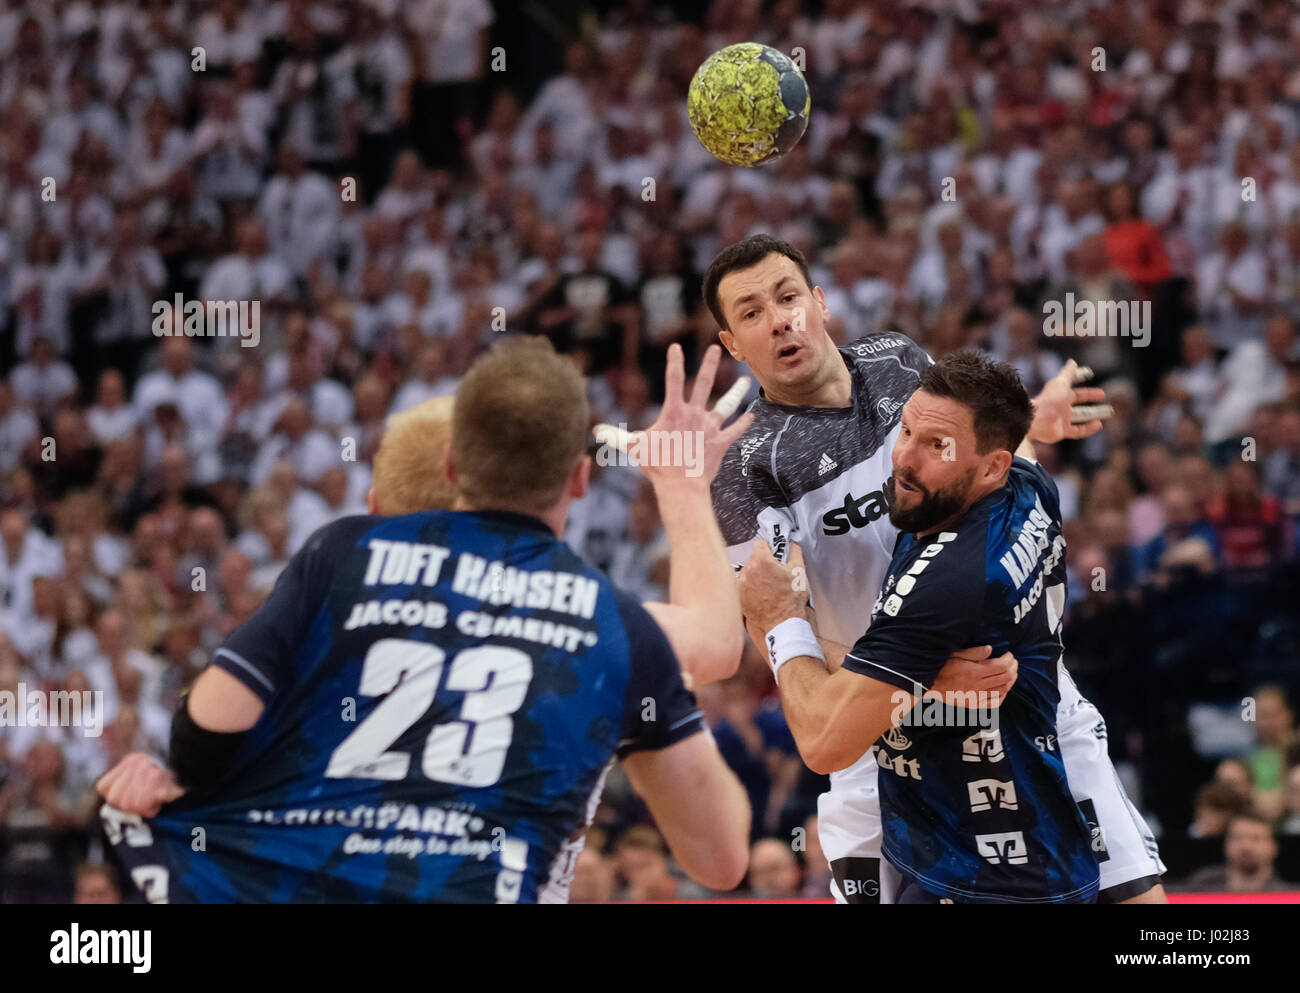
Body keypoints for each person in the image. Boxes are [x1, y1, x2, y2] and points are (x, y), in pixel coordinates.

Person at [96, 338, 753, 903]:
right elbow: (717, 646)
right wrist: (685, 485)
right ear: (580, 478)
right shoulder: (612, 622)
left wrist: (170, 784)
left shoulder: (339, 561)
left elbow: (204, 733)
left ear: (437, 476)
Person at [708, 233, 1165, 903]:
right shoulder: (743, 463)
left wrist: (1031, 417)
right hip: (881, 731)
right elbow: (774, 622)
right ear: (732, 345)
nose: (778, 318)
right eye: (750, 313)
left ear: (820, 301)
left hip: (1019, 696)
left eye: (787, 296)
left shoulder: (897, 359)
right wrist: (912, 679)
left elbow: (962, 461)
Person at [739, 351, 1100, 903]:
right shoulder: (1026, 487)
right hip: (971, 839)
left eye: (937, 447)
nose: (903, 459)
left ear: (989, 466)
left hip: (986, 864)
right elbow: (1017, 446)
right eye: (905, 431)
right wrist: (921, 680)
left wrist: (781, 622)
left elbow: (822, 741)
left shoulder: (944, 585)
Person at [1180, 811, 1291, 893]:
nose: (1246, 846)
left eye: (1256, 839)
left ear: (1274, 847)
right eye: (1237, 838)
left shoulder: (1287, 894)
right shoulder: (1199, 886)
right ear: (1225, 844)